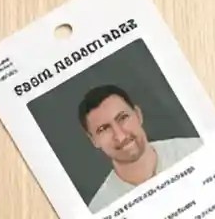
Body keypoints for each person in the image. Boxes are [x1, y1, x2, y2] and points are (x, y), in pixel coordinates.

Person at [79, 85, 203, 213]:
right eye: (104, 129)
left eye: (123, 118)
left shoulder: (196, 150)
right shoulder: (99, 211)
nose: (120, 136)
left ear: (138, 115)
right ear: (93, 140)